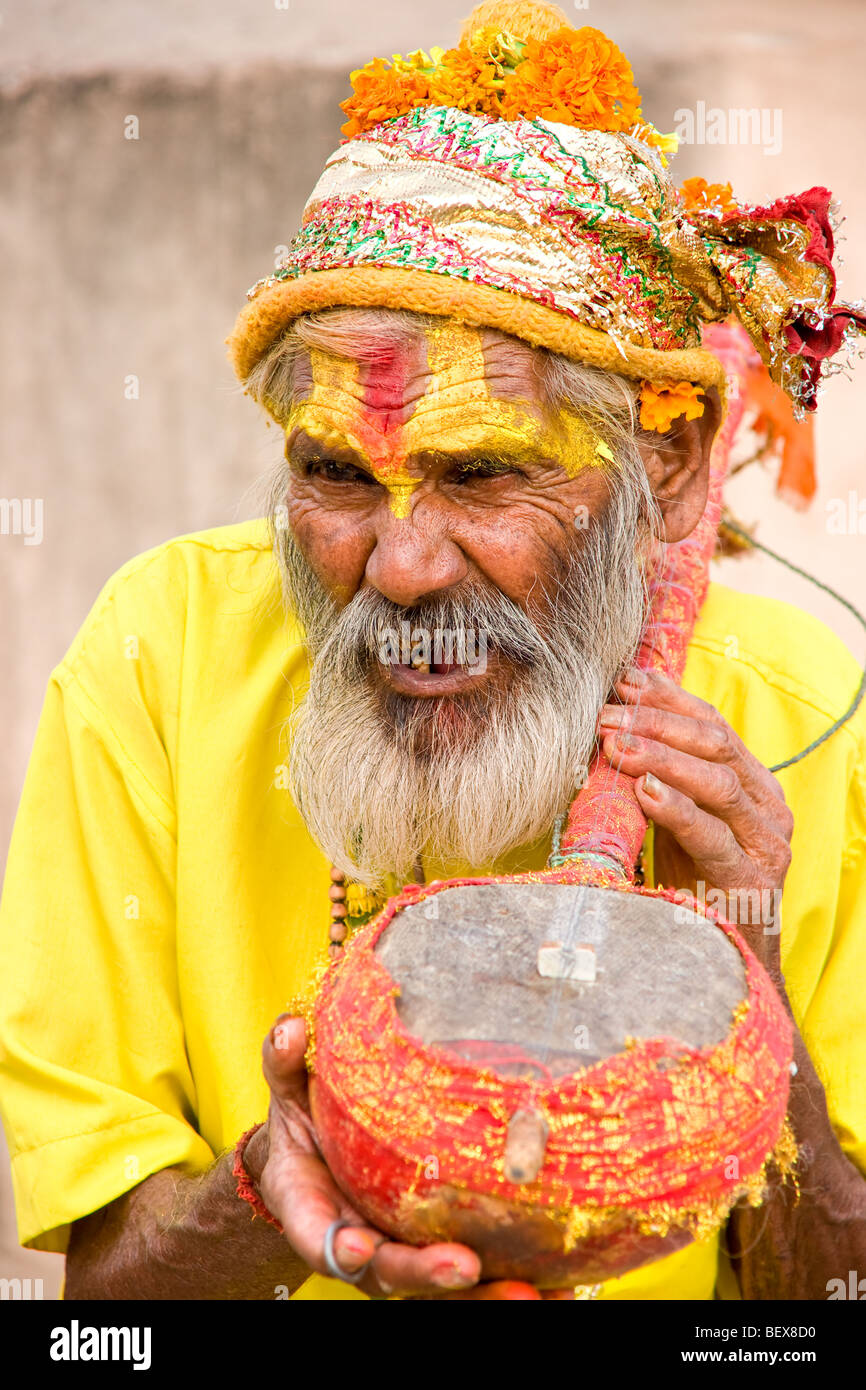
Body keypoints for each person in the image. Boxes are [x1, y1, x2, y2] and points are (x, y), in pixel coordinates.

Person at [1, 1, 865, 1301]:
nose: (398, 569)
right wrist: (269, 1183)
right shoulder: (159, 657)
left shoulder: (803, 713)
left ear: (668, 467)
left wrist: (747, 985)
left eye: (482, 474)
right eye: (335, 473)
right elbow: (97, 1318)